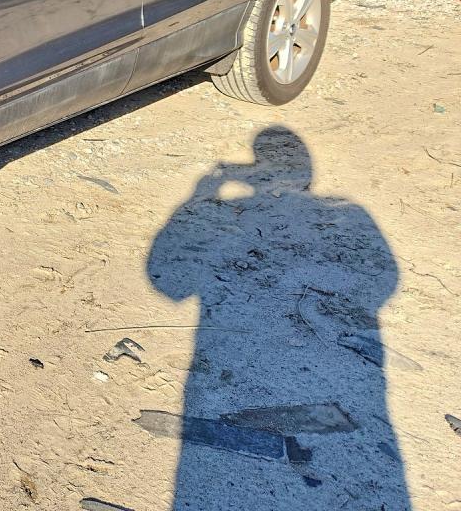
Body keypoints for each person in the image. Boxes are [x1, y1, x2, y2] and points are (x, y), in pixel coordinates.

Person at [147, 126, 408, 510]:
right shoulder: (350, 211)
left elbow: (168, 284)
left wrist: (203, 192)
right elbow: (386, 282)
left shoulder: (347, 213)